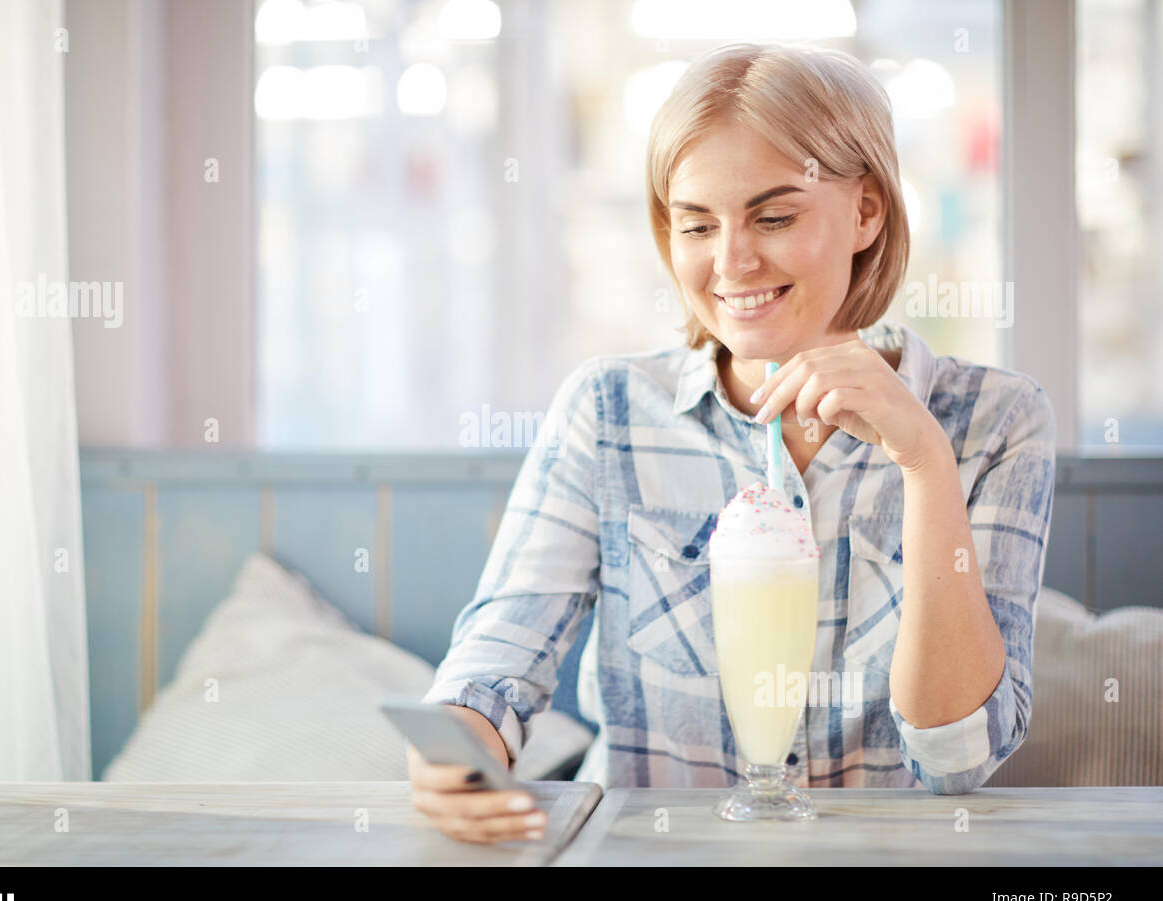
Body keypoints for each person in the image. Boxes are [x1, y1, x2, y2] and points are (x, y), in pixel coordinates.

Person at [408, 41, 1056, 845]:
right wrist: (457, 759)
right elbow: (496, 665)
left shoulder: (996, 423)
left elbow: (957, 757)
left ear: (866, 212)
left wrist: (923, 460)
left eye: (775, 216)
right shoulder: (607, 413)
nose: (731, 261)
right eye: (696, 225)